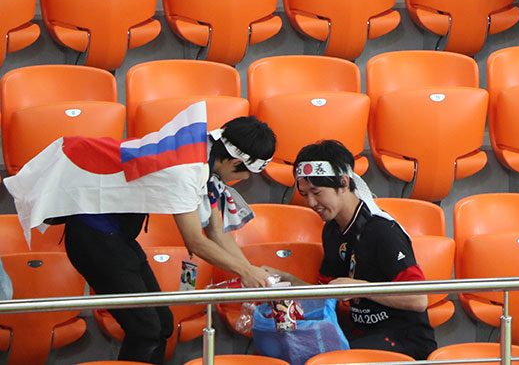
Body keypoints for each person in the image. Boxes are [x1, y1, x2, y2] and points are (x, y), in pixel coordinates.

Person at [4, 104, 277, 364]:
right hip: (94, 240)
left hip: (118, 237)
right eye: (247, 173)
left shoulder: (204, 152)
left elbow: (216, 230)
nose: (246, 179)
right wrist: (245, 273)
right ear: (233, 161)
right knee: (145, 330)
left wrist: (251, 270)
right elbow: (196, 241)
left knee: (163, 325)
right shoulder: (184, 169)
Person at [290, 140, 436, 360]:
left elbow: (418, 299)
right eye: (304, 194)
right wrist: (283, 284)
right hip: (361, 333)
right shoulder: (331, 230)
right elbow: (326, 291)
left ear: (343, 182)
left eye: (317, 192)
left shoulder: (382, 230)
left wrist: (361, 287)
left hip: (403, 339)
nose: (310, 202)